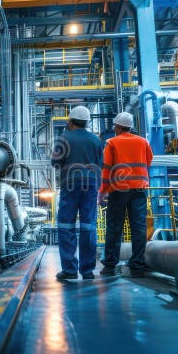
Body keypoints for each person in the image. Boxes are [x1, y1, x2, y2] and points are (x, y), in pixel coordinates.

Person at [51, 106, 103, 280]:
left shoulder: (64, 138)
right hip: (91, 184)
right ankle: (87, 271)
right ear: (87, 122)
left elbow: (55, 162)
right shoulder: (96, 140)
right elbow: (100, 163)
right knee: (88, 225)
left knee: (66, 225)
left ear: (70, 121)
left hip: (71, 184)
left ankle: (69, 270)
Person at [99, 112, 153, 278]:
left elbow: (106, 169)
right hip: (139, 189)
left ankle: (109, 266)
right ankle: (137, 267)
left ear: (119, 126)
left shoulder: (112, 143)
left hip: (119, 190)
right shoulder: (143, 142)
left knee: (114, 227)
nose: (113, 128)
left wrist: (102, 192)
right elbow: (148, 161)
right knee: (138, 228)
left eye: (115, 125)